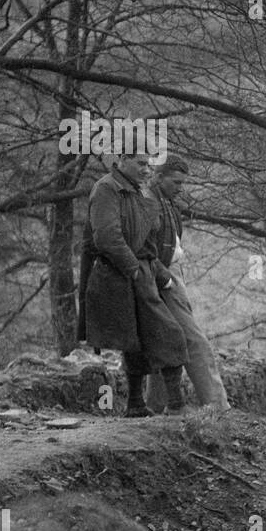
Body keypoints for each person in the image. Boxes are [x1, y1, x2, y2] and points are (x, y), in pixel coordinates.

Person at [77, 151, 188, 417]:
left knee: (144, 338)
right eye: (140, 163)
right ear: (122, 159)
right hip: (116, 276)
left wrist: (160, 275)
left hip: (140, 274)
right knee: (162, 334)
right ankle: (176, 406)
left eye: (149, 165)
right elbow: (107, 237)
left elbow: (146, 243)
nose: (146, 170)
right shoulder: (106, 189)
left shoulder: (137, 193)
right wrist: (134, 270)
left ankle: (137, 405)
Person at [142, 157, 231, 413]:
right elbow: (142, 247)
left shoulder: (166, 201)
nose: (181, 187)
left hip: (171, 273)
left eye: (183, 182)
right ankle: (216, 405)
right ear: (159, 177)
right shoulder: (149, 202)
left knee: (166, 340)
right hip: (163, 276)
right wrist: (164, 277)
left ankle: (156, 406)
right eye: (176, 181)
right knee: (194, 340)